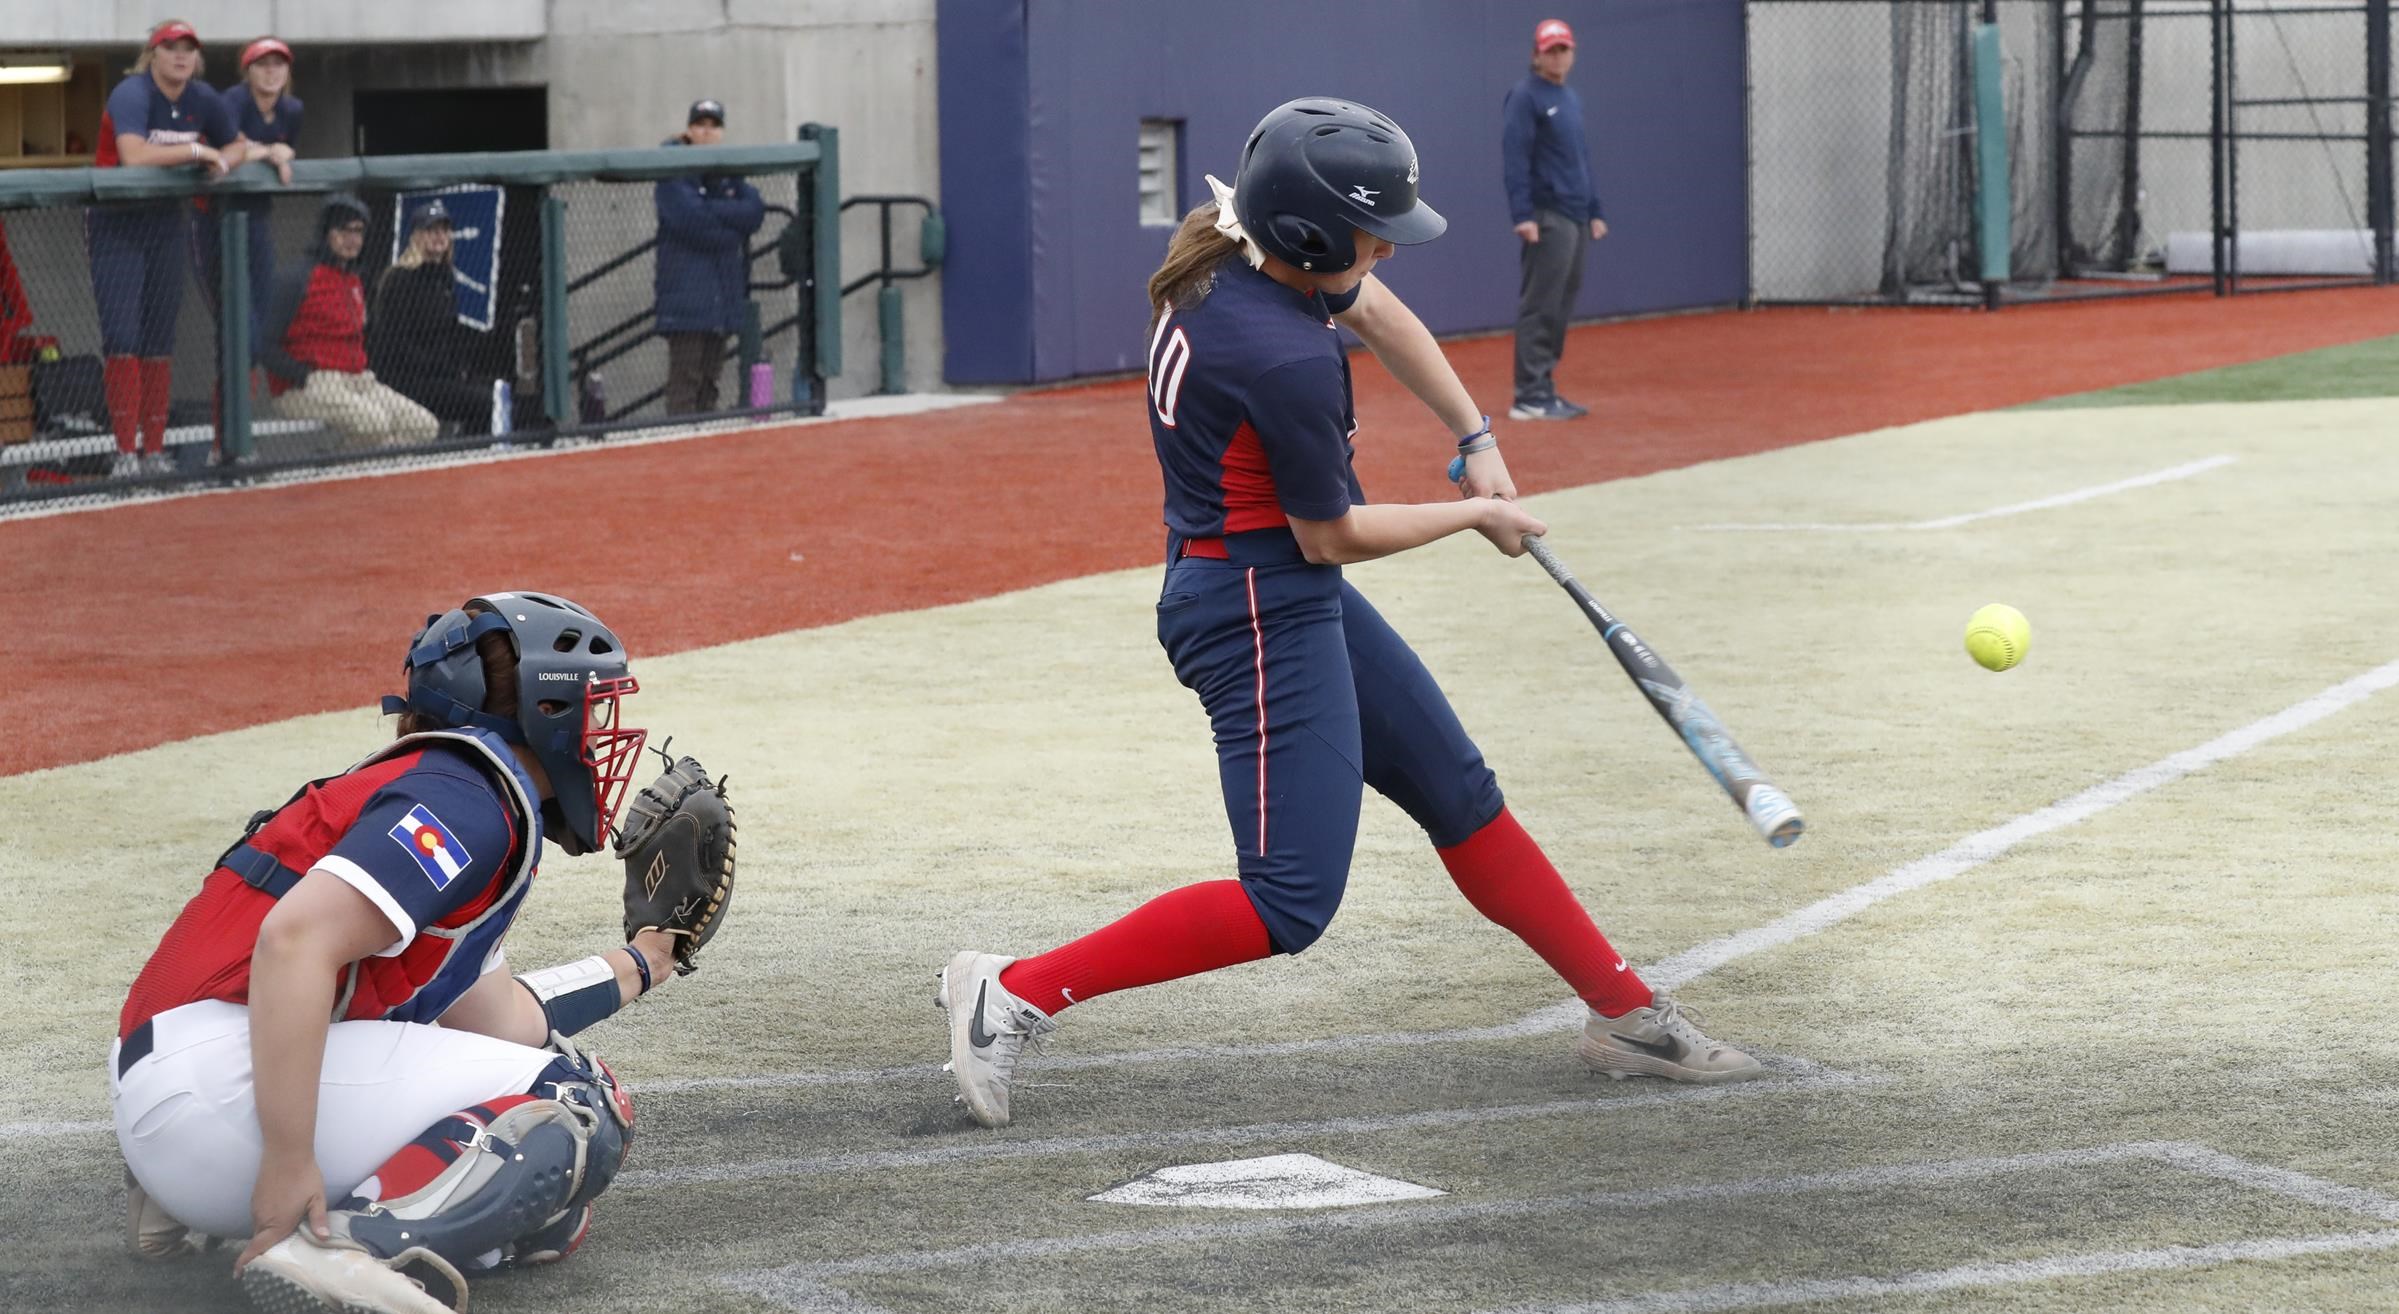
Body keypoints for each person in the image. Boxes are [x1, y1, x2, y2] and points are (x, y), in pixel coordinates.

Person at [937, 98, 1761, 1130]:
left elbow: (1370, 308)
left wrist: (1473, 435)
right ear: (1311, 235)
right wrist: (1472, 516)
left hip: (1268, 582)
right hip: (1251, 605)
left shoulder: (1229, 255)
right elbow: (1330, 532)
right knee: (1286, 900)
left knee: (1458, 794)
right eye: (1371, 231)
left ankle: (1625, 1013)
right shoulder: (1280, 355)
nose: (1382, 250)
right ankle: (1012, 990)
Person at [112, 593, 673, 1313]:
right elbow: (295, 940)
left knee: (549, 1121)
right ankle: (339, 1249)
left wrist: (649, 960)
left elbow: (497, 1019)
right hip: (219, 1095)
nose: (600, 734)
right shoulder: (467, 800)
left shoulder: (445, 785)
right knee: (575, 1102)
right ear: (543, 709)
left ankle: (179, 1197)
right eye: (591, 710)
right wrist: (288, 1164)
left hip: (178, 1096)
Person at [90, 18, 250, 477]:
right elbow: (134, 155)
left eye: (188, 48)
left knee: (160, 339)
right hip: (116, 226)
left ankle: (154, 452)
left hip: (167, 224)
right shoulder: (132, 93)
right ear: (152, 54)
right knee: (123, 337)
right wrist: (199, 153)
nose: (180, 55)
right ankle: (125, 454)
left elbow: (237, 144)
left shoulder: (203, 98)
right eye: (170, 47)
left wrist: (224, 160)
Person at [260, 194, 440, 448]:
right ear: (326, 233)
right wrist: (304, 375)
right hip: (306, 386)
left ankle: (360, 472)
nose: (352, 239)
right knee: (374, 424)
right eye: (344, 231)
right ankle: (337, 473)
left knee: (423, 426)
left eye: (358, 232)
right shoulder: (296, 278)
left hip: (358, 380)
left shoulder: (353, 279)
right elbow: (263, 344)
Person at [1503, 17, 1609, 422]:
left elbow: (1579, 159)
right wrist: (1523, 214)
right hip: (1548, 216)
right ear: (1536, 54)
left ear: (1573, 53)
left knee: (1561, 306)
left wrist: (1595, 211)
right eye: (1551, 50)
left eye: (1564, 49)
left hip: (1578, 217)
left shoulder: (1570, 99)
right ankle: (1528, 395)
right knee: (1541, 304)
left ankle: (1544, 388)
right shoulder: (1525, 97)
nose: (1558, 56)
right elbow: (1515, 158)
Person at [653, 98, 764, 416]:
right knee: (685, 382)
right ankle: (680, 451)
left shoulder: (727, 170)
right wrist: (732, 227)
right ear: (689, 130)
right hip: (686, 297)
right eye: (700, 125)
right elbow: (691, 221)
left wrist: (715, 213)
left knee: (710, 382)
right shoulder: (671, 167)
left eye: (714, 126)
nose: (706, 132)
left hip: (723, 294)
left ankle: (705, 454)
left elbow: (754, 210)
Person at [205, 37, 301, 347]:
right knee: (235, 323)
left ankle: (238, 392)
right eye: (262, 65)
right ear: (248, 71)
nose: (271, 72)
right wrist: (270, 151)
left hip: (256, 216)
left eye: (278, 64)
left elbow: (287, 152)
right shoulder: (232, 101)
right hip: (213, 217)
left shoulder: (292, 109)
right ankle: (231, 394)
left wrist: (279, 153)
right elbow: (228, 150)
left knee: (258, 323)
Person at [372, 201, 498, 434]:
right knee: (485, 402)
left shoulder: (444, 277)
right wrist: (441, 368)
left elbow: (450, 332)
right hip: (409, 380)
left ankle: (469, 456)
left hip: (442, 375)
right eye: (431, 230)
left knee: (493, 394)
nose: (439, 236)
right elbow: (395, 343)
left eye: (444, 230)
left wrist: (459, 367)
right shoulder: (399, 279)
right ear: (417, 236)